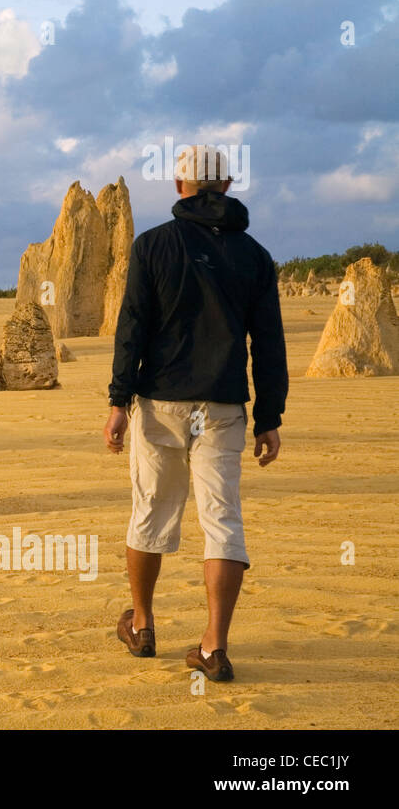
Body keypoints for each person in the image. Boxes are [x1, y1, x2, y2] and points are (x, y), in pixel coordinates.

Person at [103, 144, 287, 681]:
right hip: (224, 408)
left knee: (150, 513)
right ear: (227, 186)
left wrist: (118, 403)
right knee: (222, 521)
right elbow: (268, 344)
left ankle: (141, 624)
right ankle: (213, 646)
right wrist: (270, 417)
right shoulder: (254, 256)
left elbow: (131, 328)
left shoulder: (153, 245)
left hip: (160, 403)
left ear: (180, 186)